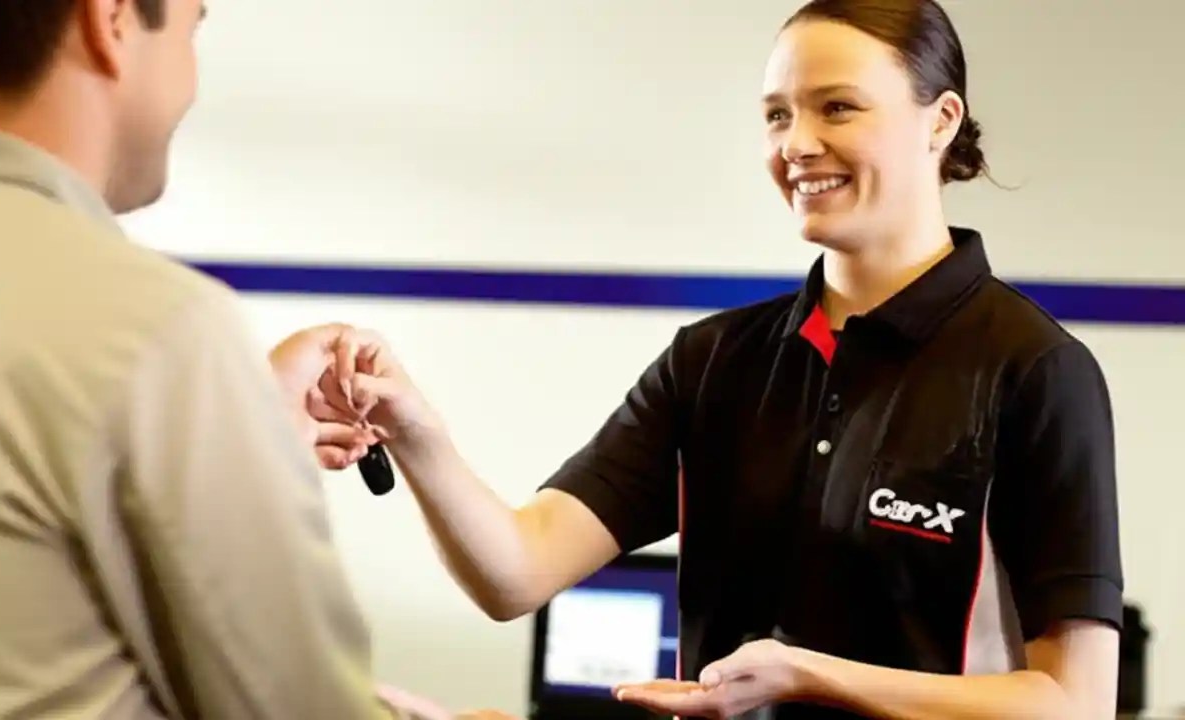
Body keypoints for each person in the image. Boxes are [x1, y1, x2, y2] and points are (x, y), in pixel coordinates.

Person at [316, 1, 1124, 718]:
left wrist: (808, 674)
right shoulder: (712, 362)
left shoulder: (1033, 370)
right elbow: (514, 574)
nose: (797, 144)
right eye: (777, 116)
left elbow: (1072, 704)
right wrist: (414, 430)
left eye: (837, 107)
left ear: (940, 120)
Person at [0, 1, 513, 718]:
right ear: (112, 21)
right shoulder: (154, 327)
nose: (192, 79)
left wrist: (234, 426)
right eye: (192, 28)